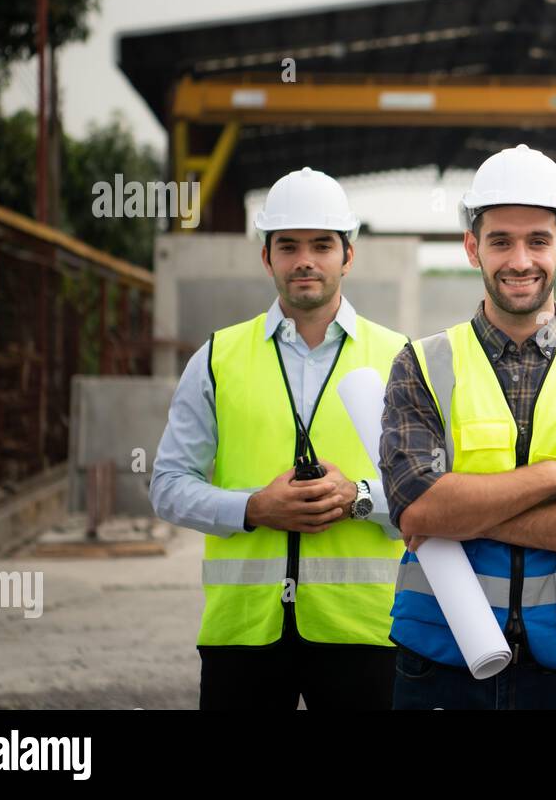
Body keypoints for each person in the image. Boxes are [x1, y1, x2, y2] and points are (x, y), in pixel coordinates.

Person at [379, 144, 556, 709]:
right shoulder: (423, 362)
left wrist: (463, 512)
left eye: (537, 240)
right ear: (471, 247)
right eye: (500, 240)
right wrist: (555, 478)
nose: (520, 260)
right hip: (439, 656)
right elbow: (417, 511)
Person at [150, 167, 409, 710]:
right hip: (243, 637)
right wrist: (253, 507)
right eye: (288, 246)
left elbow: (434, 491)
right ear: (266, 257)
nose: (305, 260)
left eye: (322, 245)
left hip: (366, 633)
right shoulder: (218, 358)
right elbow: (169, 486)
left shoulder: (401, 361)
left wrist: (359, 498)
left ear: (348, 255)